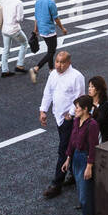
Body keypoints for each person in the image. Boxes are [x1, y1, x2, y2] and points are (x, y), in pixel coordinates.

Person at [41, 50, 86, 198]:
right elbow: (48, 92)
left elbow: (80, 97)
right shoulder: (53, 74)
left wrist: (71, 113)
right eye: (57, 62)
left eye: (62, 62)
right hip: (58, 117)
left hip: (70, 120)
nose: (59, 65)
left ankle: (56, 184)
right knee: (68, 147)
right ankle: (73, 173)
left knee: (63, 150)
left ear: (69, 62)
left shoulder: (77, 77)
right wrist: (43, 110)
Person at [63, 94, 99, 215]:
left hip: (85, 159)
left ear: (85, 109)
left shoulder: (92, 125)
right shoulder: (76, 120)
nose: (75, 110)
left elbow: (93, 147)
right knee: (81, 192)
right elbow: (72, 140)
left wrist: (89, 166)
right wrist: (68, 158)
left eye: (77, 107)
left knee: (85, 195)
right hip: (76, 157)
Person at [30, 0, 67, 82]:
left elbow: (36, 17)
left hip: (41, 30)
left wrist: (35, 31)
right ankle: (36, 68)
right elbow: (56, 18)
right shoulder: (51, 2)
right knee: (51, 51)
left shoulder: (38, 1)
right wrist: (63, 28)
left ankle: (51, 70)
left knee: (49, 50)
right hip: (49, 30)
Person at [0, 0, 30, 77]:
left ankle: (4, 70)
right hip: (14, 29)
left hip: (4, 29)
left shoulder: (3, 0)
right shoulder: (18, 2)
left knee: (6, 49)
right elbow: (19, 18)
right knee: (24, 43)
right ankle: (19, 65)